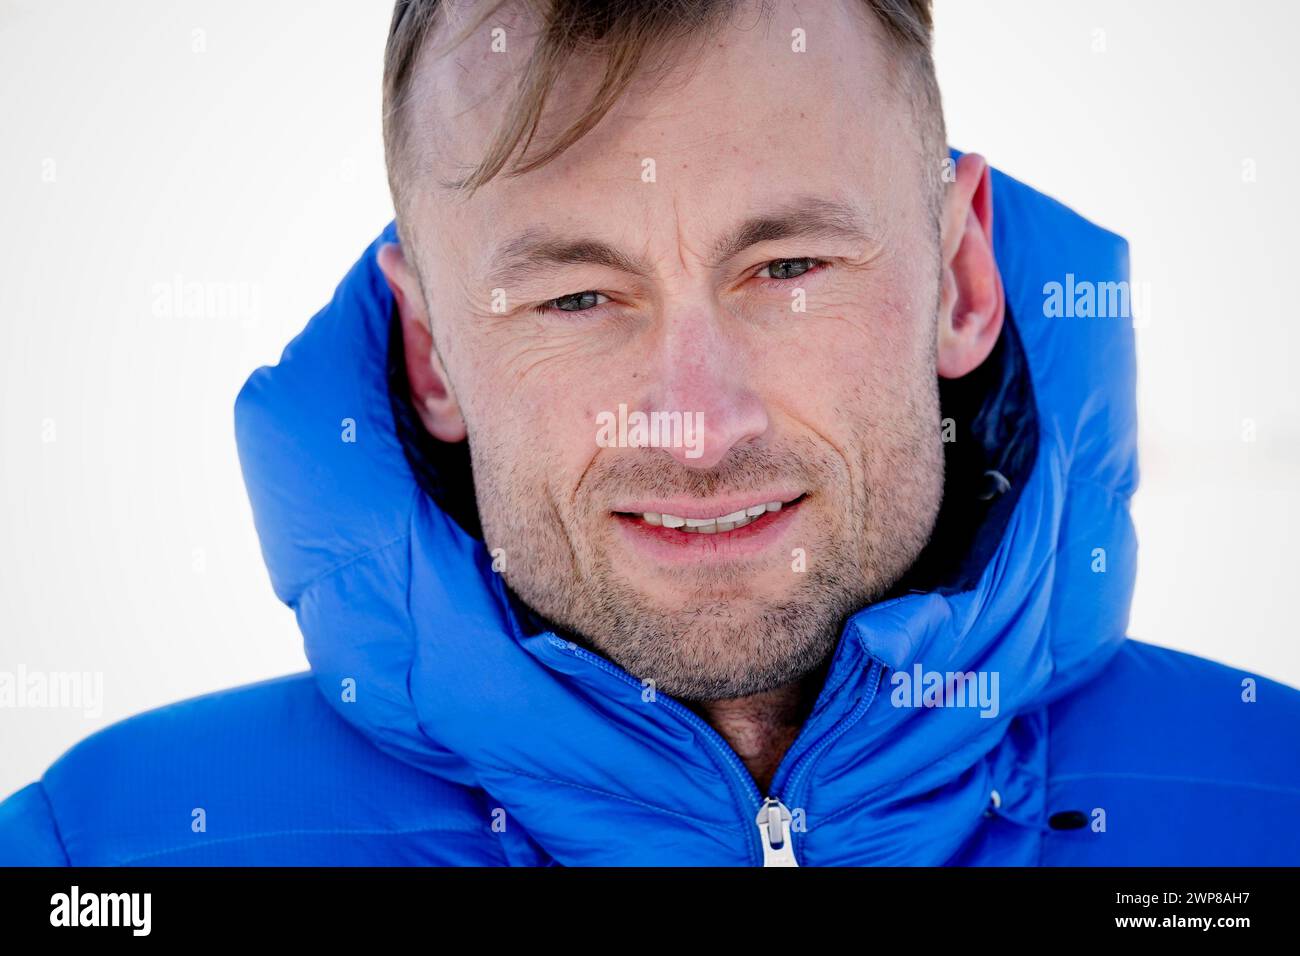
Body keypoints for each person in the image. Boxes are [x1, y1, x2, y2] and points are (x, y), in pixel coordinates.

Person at [2, 0, 1297, 866]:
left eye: (787, 267)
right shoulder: (112, 854)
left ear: (964, 279)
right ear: (432, 353)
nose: (694, 423)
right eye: (575, 296)